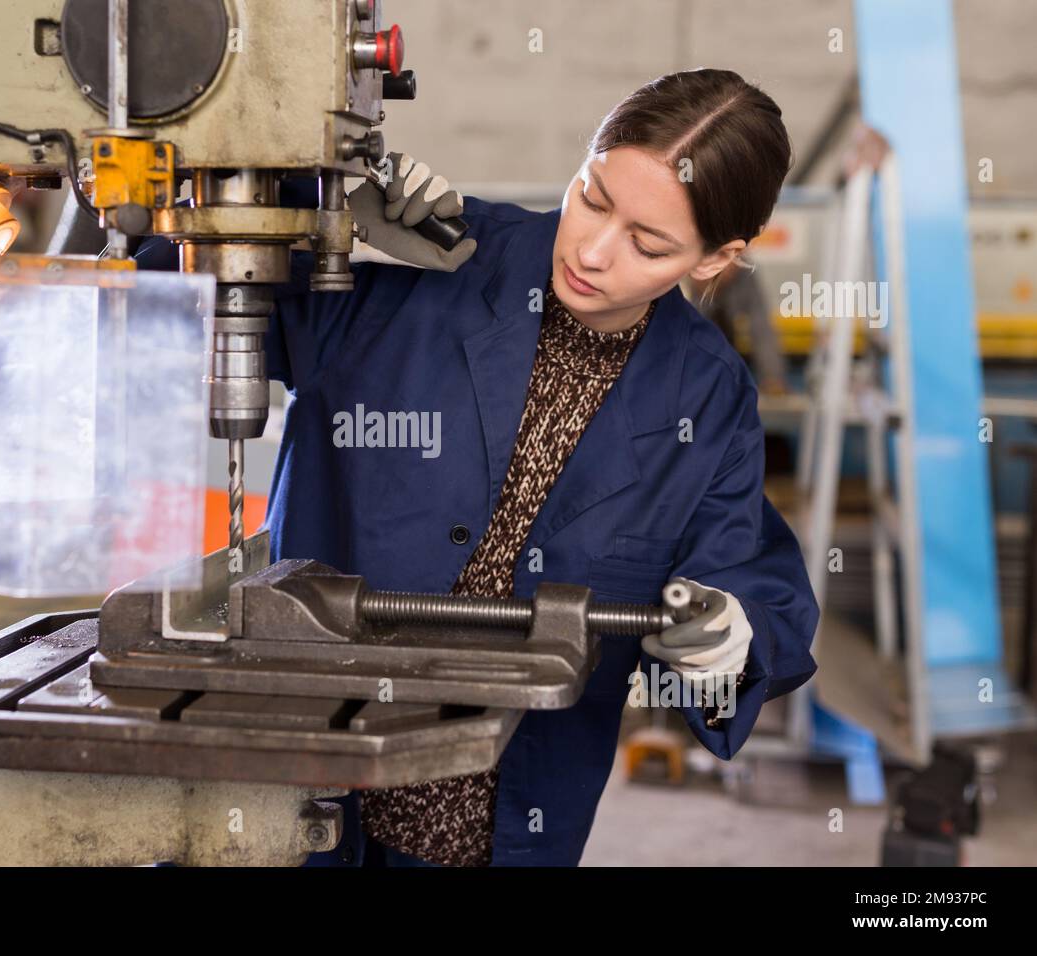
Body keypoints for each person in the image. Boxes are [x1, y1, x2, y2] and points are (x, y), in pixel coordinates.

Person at [141, 68, 820, 868]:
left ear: (716, 259)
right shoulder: (430, 253)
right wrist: (305, 208)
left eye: (648, 243)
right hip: (291, 785)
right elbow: (163, 287)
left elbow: (752, 592)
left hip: (500, 827)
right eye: (593, 197)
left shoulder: (705, 401)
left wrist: (731, 647)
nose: (594, 252)